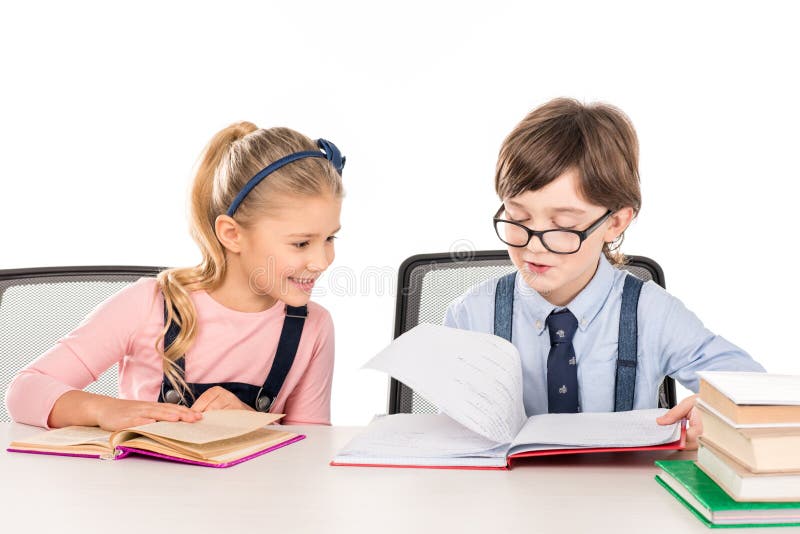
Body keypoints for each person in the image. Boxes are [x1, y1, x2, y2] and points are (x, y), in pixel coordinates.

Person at [444, 98, 764, 448]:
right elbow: (454, 438)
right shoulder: (470, 316)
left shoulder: (653, 314)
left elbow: (757, 392)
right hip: (504, 499)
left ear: (615, 222)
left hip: (624, 497)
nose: (534, 245)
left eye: (563, 224)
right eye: (518, 218)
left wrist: (717, 409)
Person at [6, 122, 344, 430]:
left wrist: (251, 424)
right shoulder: (148, 305)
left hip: (254, 496)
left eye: (330, 238)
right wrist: (102, 409)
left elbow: (309, 451)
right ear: (232, 234)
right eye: (301, 243)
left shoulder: (313, 327)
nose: (321, 260)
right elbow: (25, 390)